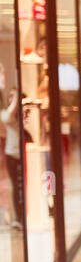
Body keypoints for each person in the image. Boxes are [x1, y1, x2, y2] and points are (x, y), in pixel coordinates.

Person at [1, 89, 22, 228]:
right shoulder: (5, 114)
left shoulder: (21, 114)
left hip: (21, 154)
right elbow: (8, 115)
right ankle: (18, 218)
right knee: (15, 186)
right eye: (10, 95)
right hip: (11, 154)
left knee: (20, 186)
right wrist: (16, 96)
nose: (12, 98)